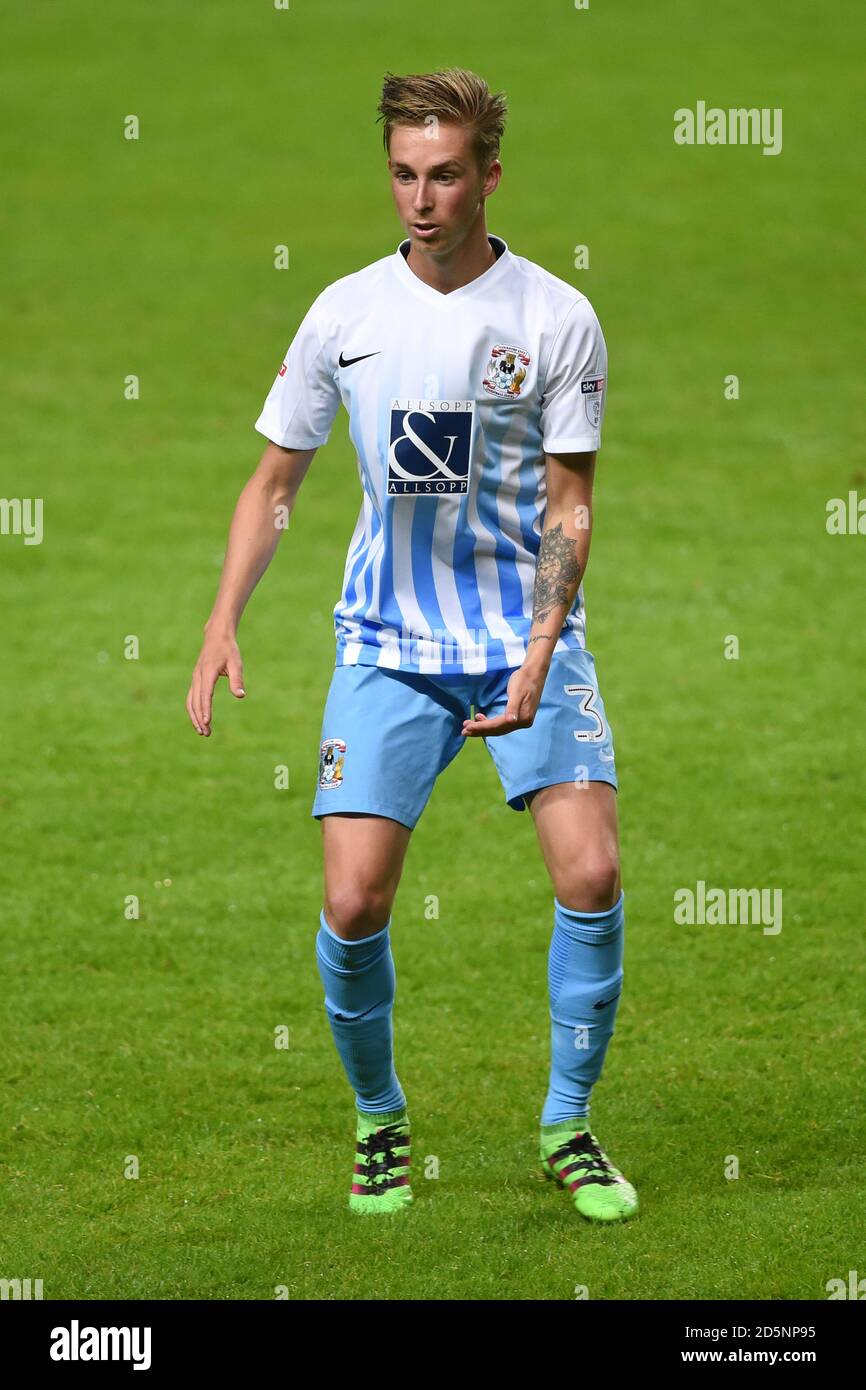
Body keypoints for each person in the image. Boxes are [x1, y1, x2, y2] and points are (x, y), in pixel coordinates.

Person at [186, 67, 638, 1224]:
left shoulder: (554, 318)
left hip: (521, 635)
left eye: (443, 175)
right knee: (352, 904)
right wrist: (221, 614)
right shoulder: (344, 314)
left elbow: (567, 504)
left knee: (588, 871)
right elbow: (274, 480)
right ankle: (380, 1118)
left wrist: (541, 650)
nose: (420, 199)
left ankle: (567, 1124)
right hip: (386, 641)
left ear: (490, 174)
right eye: (401, 174)